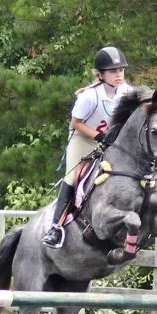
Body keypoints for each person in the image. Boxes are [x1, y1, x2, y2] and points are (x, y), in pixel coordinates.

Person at [42, 45, 132, 248]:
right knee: (72, 178)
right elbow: (76, 123)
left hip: (108, 141)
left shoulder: (126, 92)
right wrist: (99, 136)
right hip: (82, 139)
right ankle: (56, 228)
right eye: (113, 71)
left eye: (121, 70)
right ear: (101, 75)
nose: (119, 75)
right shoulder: (90, 96)